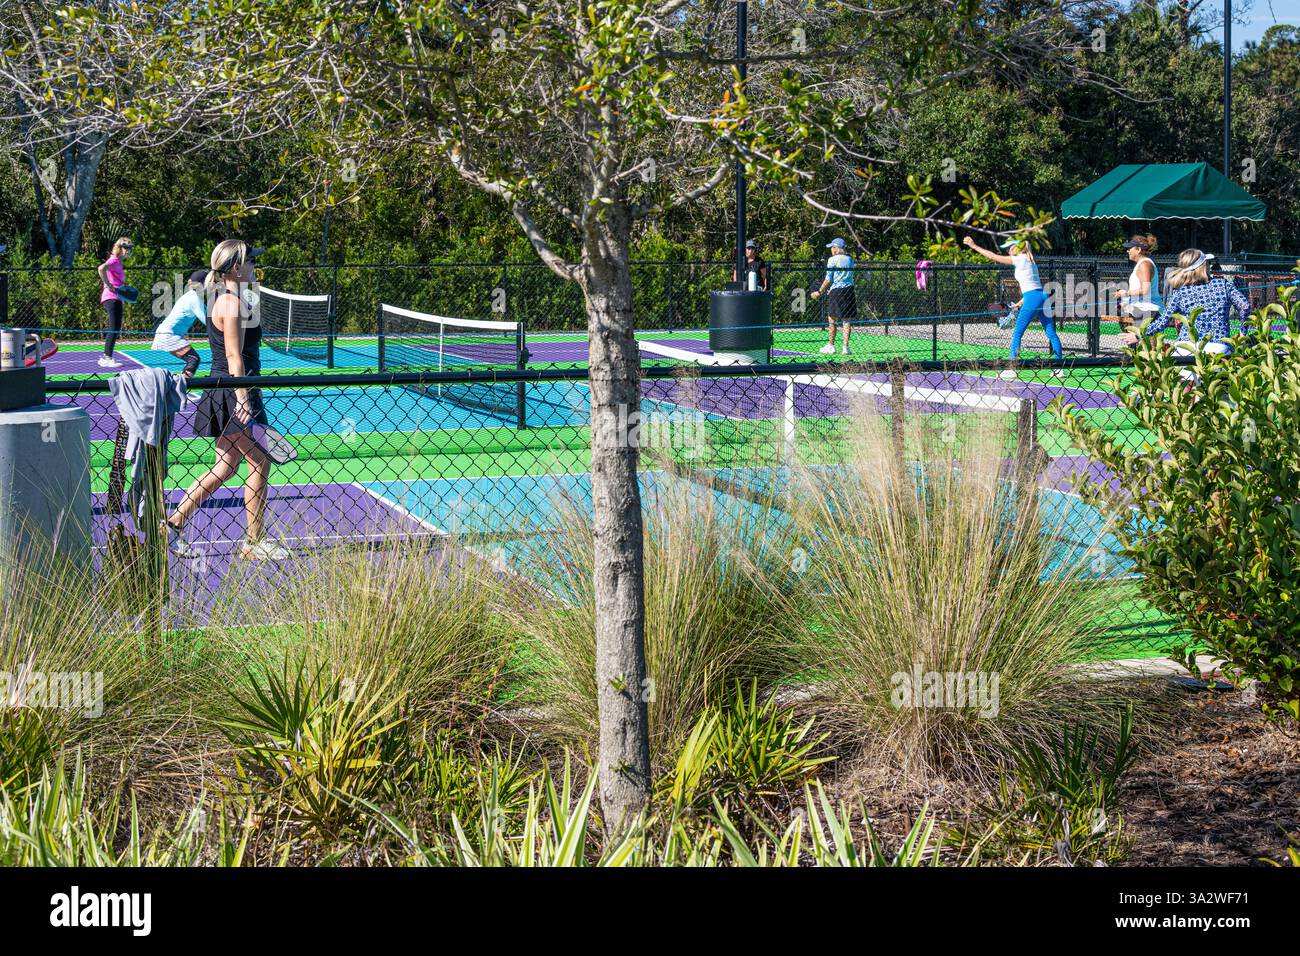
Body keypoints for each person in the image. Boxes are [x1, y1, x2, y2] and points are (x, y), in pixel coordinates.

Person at [163, 240, 288, 561]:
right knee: (260, 461)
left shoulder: (222, 297)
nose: (254, 267)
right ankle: (254, 542)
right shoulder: (231, 303)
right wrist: (243, 399)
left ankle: (172, 525)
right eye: (250, 262)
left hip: (228, 389)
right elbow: (233, 355)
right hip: (235, 390)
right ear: (236, 268)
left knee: (226, 465)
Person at [963, 234, 1063, 379]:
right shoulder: (1030, 260)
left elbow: (992, 256)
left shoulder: (1020, 259)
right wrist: (1020, 303)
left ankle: (1012, 368)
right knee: (1051, 333)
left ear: (1018, 247)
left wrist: (974, 246)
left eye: (1010, 247)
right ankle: (1059, 368)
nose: (1008, 250)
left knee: (1017, 333)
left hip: (1033, 298)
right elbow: (1034, 286)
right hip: (1042, 297)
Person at [1120, 248, 1251, 360]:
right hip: (1218, 347)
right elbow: (1245, 306)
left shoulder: (1180, 292)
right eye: (1207, 262)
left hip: (1186, 349)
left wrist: (1138, 335)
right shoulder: (1223, 284)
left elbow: (1162, 322)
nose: (1209, 265)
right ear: (1202, 267)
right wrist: (1243, 332)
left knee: (1185, 388)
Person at [152, 270, 208, 378]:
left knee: (192, 360)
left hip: (165, 334)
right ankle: (180, 386)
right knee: (193, 359)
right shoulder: (194, 299)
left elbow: (209, 315)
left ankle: (180, 384)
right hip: (168, 335)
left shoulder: (193, 296)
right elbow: (208, 321)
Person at [810, 238, 856, 356]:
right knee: (846, 320)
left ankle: (831, 345)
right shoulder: (850, 259)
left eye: (832, 247)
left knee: (832, 319)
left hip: (836, 292)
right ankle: (845, 348)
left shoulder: (832, 260)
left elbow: (828, 279)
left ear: (836, 248)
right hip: (849, 291)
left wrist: (819, 292)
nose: (831, 249)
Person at [97, 237, 135, 368]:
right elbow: (101, 269)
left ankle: (106, 356)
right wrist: (108, 285)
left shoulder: (118, 262)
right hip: (111, 297)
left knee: (115, 327)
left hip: (116, 297)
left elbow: (117, 282)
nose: (128, 251)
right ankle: (106, 357)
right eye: (126, 248)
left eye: (130, 248)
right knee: (114, 327)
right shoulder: (114, 260)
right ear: (119, 248)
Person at [1114, 233, 1162, 325]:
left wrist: (1126, 293)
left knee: (1139, 339)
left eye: (1130, 248)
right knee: (1132, 339)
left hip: (1147, 310)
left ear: (1139, 249)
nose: (1127, 251)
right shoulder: (1142, 264)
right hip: (1142, 310)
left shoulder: (1145, 264)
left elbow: (1145, 291)